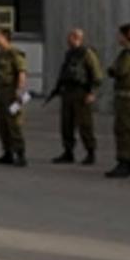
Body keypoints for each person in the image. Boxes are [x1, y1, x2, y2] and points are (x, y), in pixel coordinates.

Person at [48, 28, 104, 165]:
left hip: (81, 92)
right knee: (66, 124)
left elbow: (97, 74)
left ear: (76, 38)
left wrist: (92, 92)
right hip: (68, 92)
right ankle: (68, 152)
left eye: (70, 37)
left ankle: (90, 152)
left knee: (85, 124)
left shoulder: (87, 53)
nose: (68, 40)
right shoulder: (69, 54)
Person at [105, 23, 130, 178]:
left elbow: (120, 70)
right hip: (126, 95)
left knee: (123, 129)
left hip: (127, 96)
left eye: (120, 35)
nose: (118, 38)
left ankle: (125, 160)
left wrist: (113, 70)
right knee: (127, 128)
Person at [0, 28, 29, 166]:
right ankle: (7, 153)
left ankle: (20, 154)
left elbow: (22, 73)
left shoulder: (14, 53)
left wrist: (19, 92)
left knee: (14, 124)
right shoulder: (0, 54)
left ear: (5, 37)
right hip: (2, 93)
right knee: (2, 125)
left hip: (12, 93)